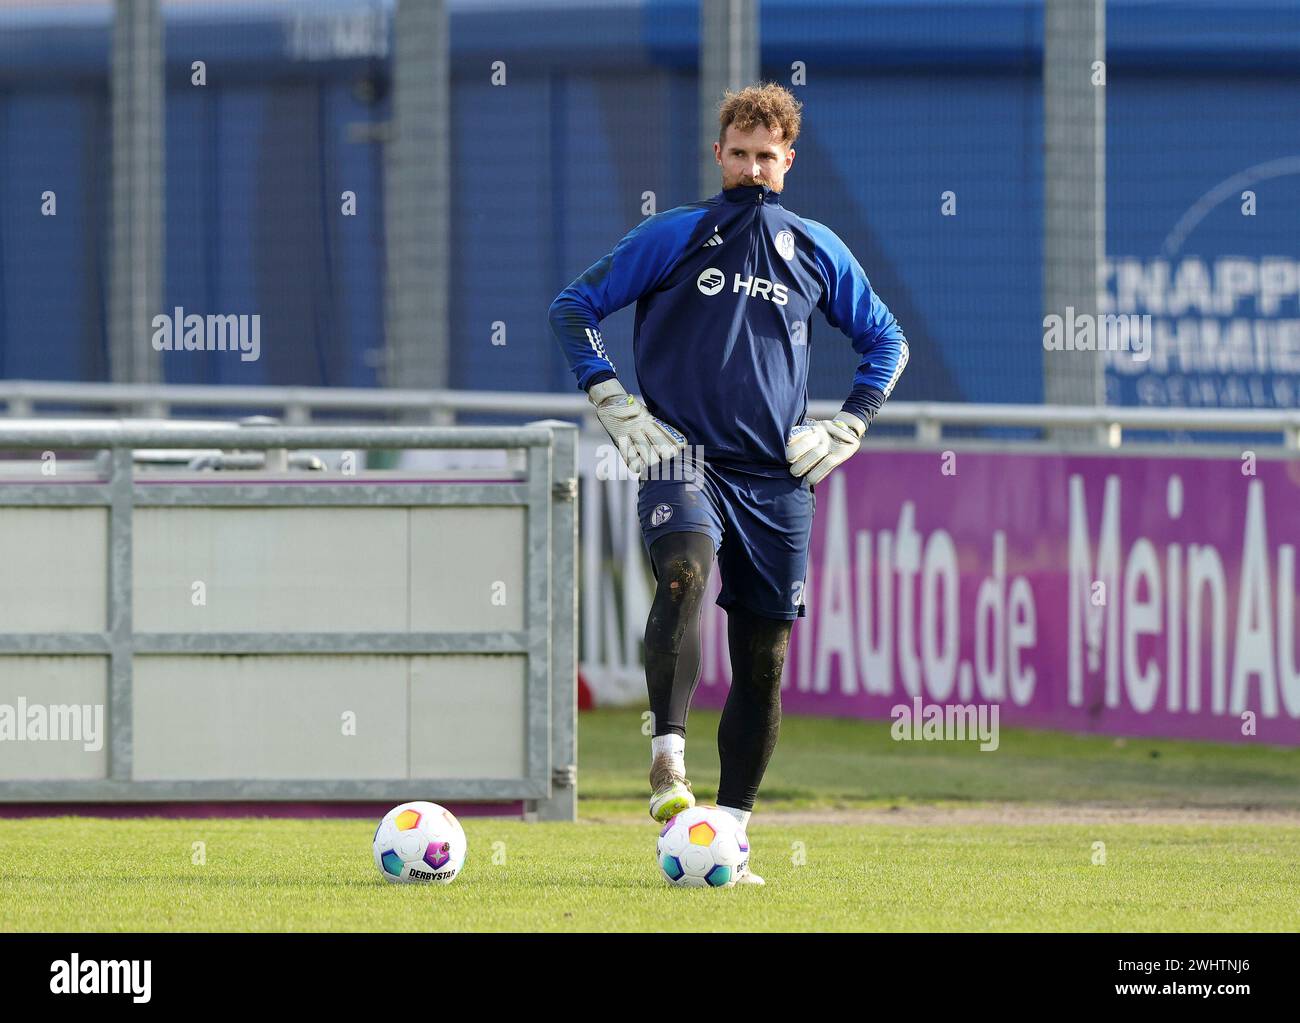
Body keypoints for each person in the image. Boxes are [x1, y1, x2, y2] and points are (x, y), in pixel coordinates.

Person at [549, 82, 908, 884]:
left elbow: (887, 339)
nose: (751, 169)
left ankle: (729, 838)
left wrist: (850, 422)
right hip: (682, 457)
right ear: (719, 155)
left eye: (766, 157)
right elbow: (573, 307)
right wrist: (609, 395)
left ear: (788, 162)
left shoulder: (816, 248)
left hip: (777, 479)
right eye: (738, 154)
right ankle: (667, 762)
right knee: (682, 573)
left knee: (765, 657)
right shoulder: (675, 233)